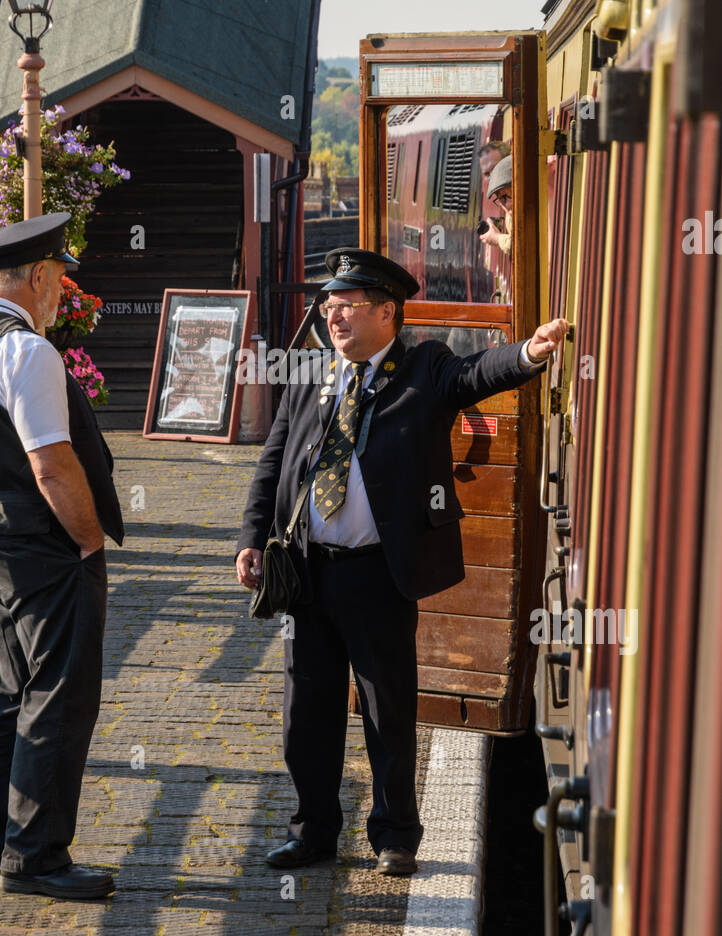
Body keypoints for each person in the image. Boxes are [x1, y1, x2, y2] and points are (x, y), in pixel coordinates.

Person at [235, 248, 569, 876]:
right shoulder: (311, 375)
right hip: (308, 570)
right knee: (307, 710)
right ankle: (312, 832)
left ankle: (395, 837)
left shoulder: (423, 369)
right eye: (329, 307)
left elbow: (478, 374)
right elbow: (272, 464)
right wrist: (252, 537)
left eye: (347, 308)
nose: (333, 318)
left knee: (388, 708)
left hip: (375, 573)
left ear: (387, 313)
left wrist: (530, 352)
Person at [0, 213, 124, 901]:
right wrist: (89, 540)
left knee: (10, 690)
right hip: (42, 546)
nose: (61, 293)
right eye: (59, 279)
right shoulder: (26, 350)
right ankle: (35, 856)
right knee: (59, 697)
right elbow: (51, 464)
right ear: (39, 277)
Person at [480, 153, 513, 257]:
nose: (506, 206)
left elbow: (522, 245)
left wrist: (496, 238)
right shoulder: (510, 217)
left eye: (506, 196)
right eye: (500, 200)